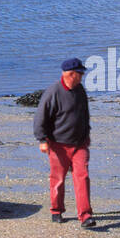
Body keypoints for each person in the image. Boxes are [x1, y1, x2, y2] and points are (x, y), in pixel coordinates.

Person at [33, 57, 95, 228]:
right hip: (58, 144)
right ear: (71, 74)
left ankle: (85, 216)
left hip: (80, 143)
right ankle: (56, 210)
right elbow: (40, 117)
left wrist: (87, 133)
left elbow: (84, 113)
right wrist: (42, 140)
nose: (82, 76)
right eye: (80, 73)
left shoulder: (80, 90)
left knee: (83, 177)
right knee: (58, 179)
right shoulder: (53, 92)